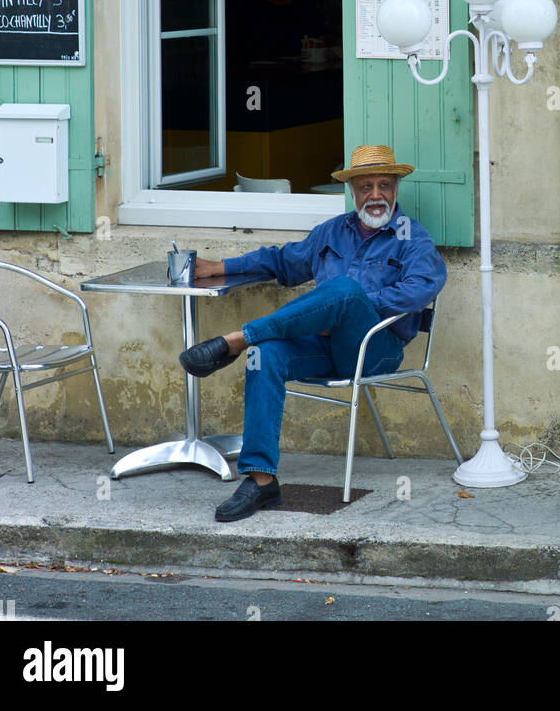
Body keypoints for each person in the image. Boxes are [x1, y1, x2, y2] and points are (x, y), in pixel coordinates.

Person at [179, 145, 447, 522]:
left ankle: (237, 339)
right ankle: (260, 480)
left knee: (346, 292)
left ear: (396, 189)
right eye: (366, 185)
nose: (375, 195)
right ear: (351, 190)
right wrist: (218, 265)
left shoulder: (412, 238)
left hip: (376, 349)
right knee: (266, 355)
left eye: (384, 185)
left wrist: (349, 308)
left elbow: (421, 288)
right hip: (325, 349)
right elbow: (280, 260)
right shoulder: (332, 232)